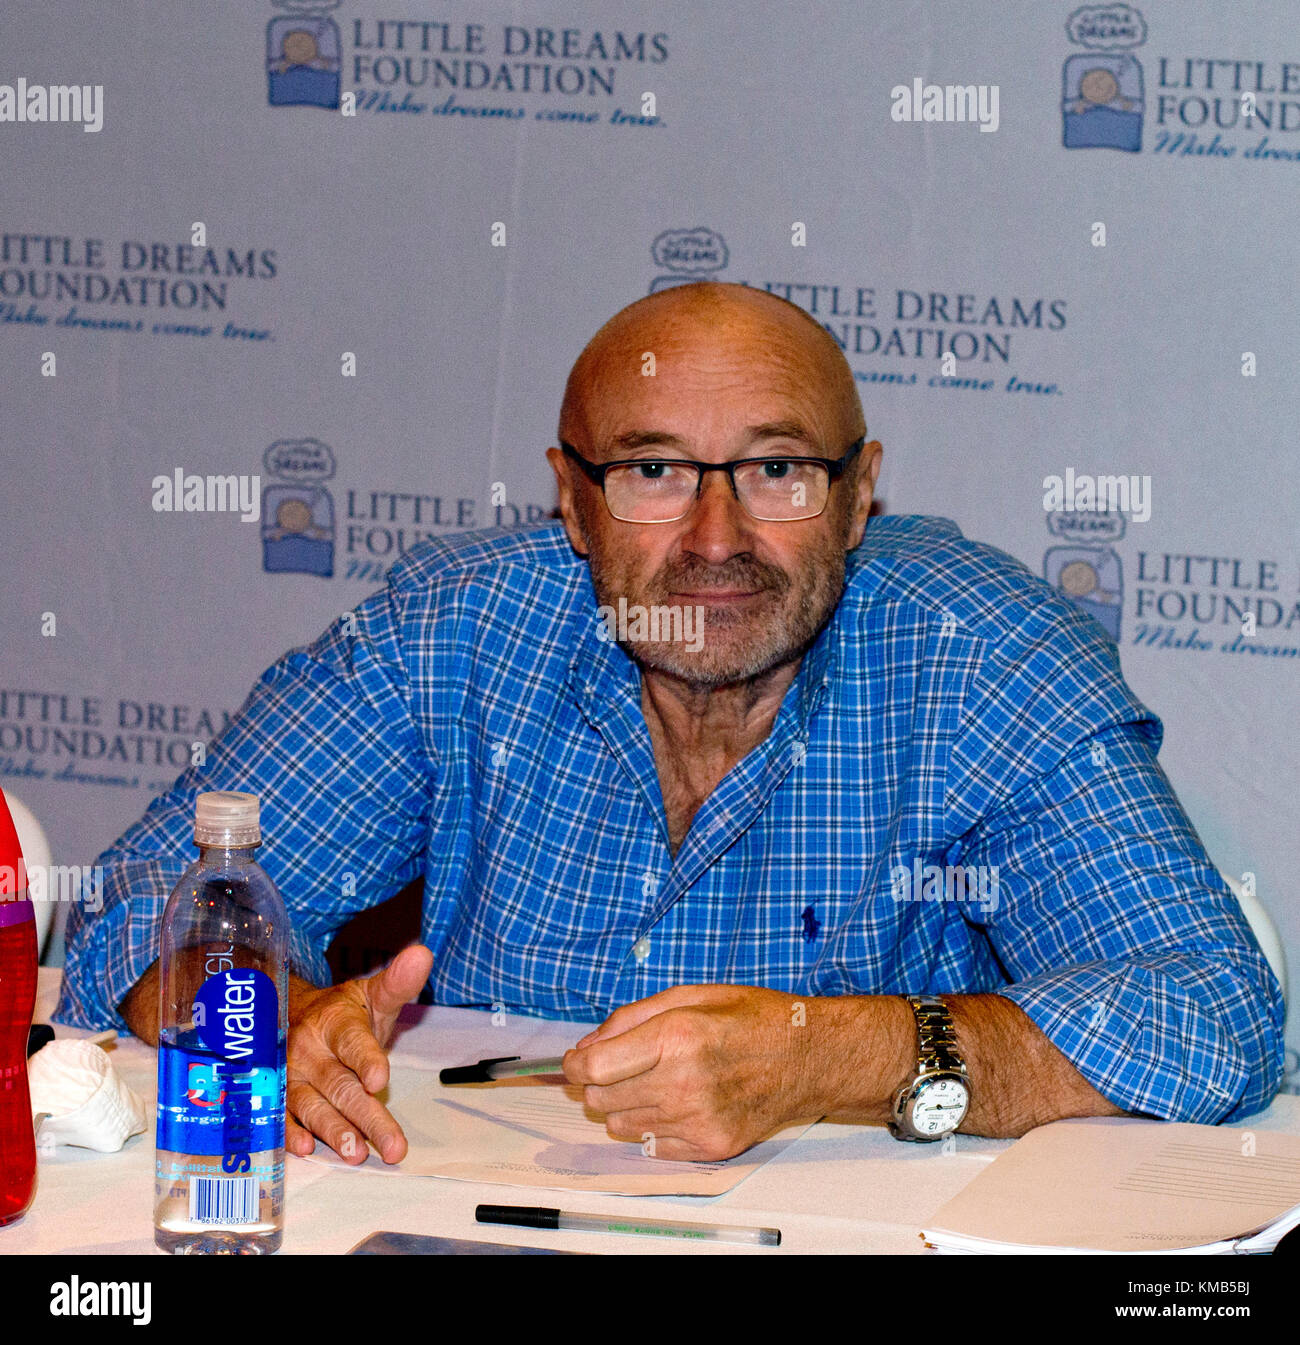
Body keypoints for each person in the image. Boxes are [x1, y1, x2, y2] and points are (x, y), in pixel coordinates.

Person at [57, 282, 1285, 1164]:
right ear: (572, 504)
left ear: (859, 497)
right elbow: (135, 904)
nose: (714, 540)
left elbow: (1211, 1013)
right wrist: (264, 1008)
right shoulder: (455, 631)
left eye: (775, 470)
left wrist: (831, 1057)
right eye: (651, 471)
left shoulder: (982, 655)